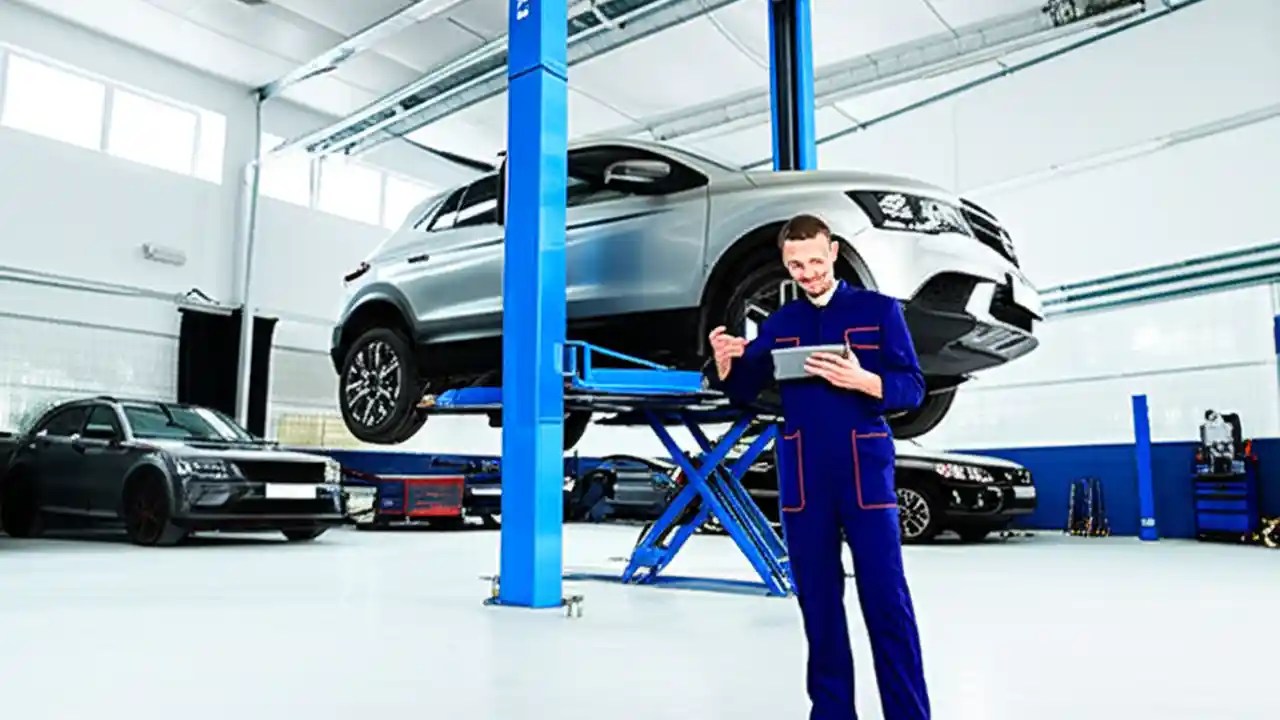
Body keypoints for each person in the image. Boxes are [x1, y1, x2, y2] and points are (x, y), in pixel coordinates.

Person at [707, 213, 931, 720]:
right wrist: (728, 364)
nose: (806, 273)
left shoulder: (879, 312)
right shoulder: (780, 323)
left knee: (886, 602)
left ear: (832, 252)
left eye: (813, 261)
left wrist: (865, 380)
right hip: (804, 476)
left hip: (864, 473)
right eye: (795, 265)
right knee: (819, 606)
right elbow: (745, 389)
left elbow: (912, 387)